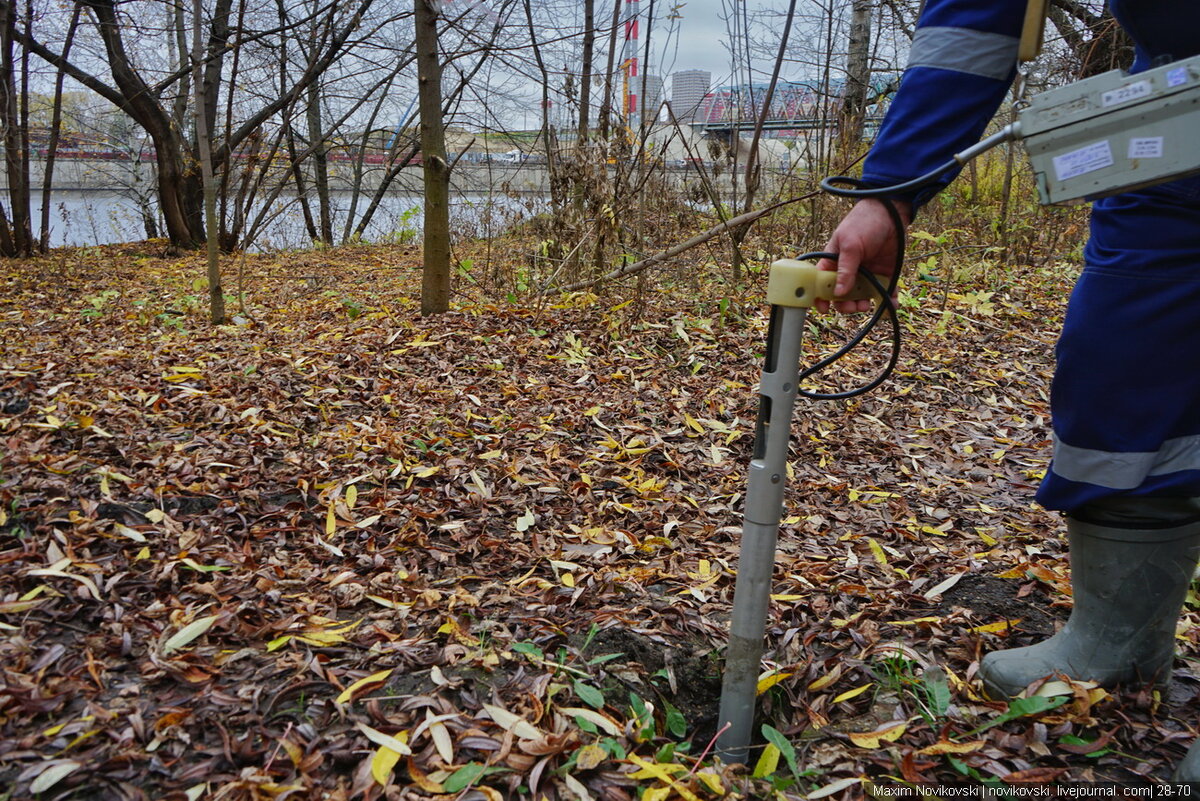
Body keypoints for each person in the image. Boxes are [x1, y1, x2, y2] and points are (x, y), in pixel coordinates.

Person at [816, 0, 1200, 779]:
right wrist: (892, 191)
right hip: (1171, 111)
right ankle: (1120, 641)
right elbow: (974, 20)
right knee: (1118, 366)